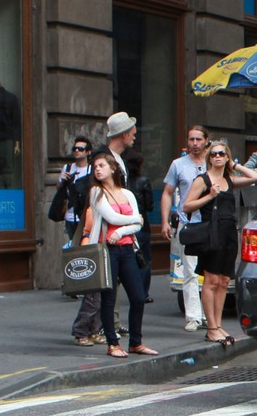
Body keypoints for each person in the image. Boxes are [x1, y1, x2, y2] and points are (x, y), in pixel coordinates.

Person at [182, 140, 257, 344]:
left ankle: (218, 325)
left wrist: (235, 165)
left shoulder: (230, 179)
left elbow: (256, 177)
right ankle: (211, 327)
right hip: (212, 232)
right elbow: (187, 206)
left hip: (229, 232)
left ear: (226, 157)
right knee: (211, 280)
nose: (217, 156)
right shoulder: (203, 180)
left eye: (221, 154)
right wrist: (210, 196)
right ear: (209, 157)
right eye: (214, 154)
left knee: (224, 280)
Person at [81, 150, 155, 358]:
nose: (97, 169)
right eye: (95, 167)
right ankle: (112, 343)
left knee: (138, 297)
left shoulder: (128, 193)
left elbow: (136, 227)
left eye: (102, 165)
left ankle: (136, 342)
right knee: (109, 297)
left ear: (113, 168)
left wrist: (123, 230)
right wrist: (134, 219)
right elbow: (112, 216)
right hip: (106, 250)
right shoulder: (96, 192)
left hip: (127, 248)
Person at [161, 126, 210, 332]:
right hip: (187, 223)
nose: (195, 143)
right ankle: (193, 316)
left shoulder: (214, 161)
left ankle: (209, 315)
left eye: (199, 139)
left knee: (210, 271)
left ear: (206, 141)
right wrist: (165, 221)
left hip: (210, 223)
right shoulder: (178, 164)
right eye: (191, 139)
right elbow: (167, 192)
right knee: (189, 271)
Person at [123, 148, 154, 302]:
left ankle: (133, 292)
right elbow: (149, 206)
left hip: (124, 223)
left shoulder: (123, 183)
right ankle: (143, 293)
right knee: (144, 260)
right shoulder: (143, 181)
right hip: (142, 224)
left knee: (129, 259)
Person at [59, 136, 92, 241]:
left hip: (86, 216)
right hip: (70, 216)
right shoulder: (67, 168)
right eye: (75, 149)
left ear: (88, 152)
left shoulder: (91, 169)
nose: (77, 151)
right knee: (72, 247)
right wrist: (61, 181)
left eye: (81, 149)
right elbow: (59, 190)